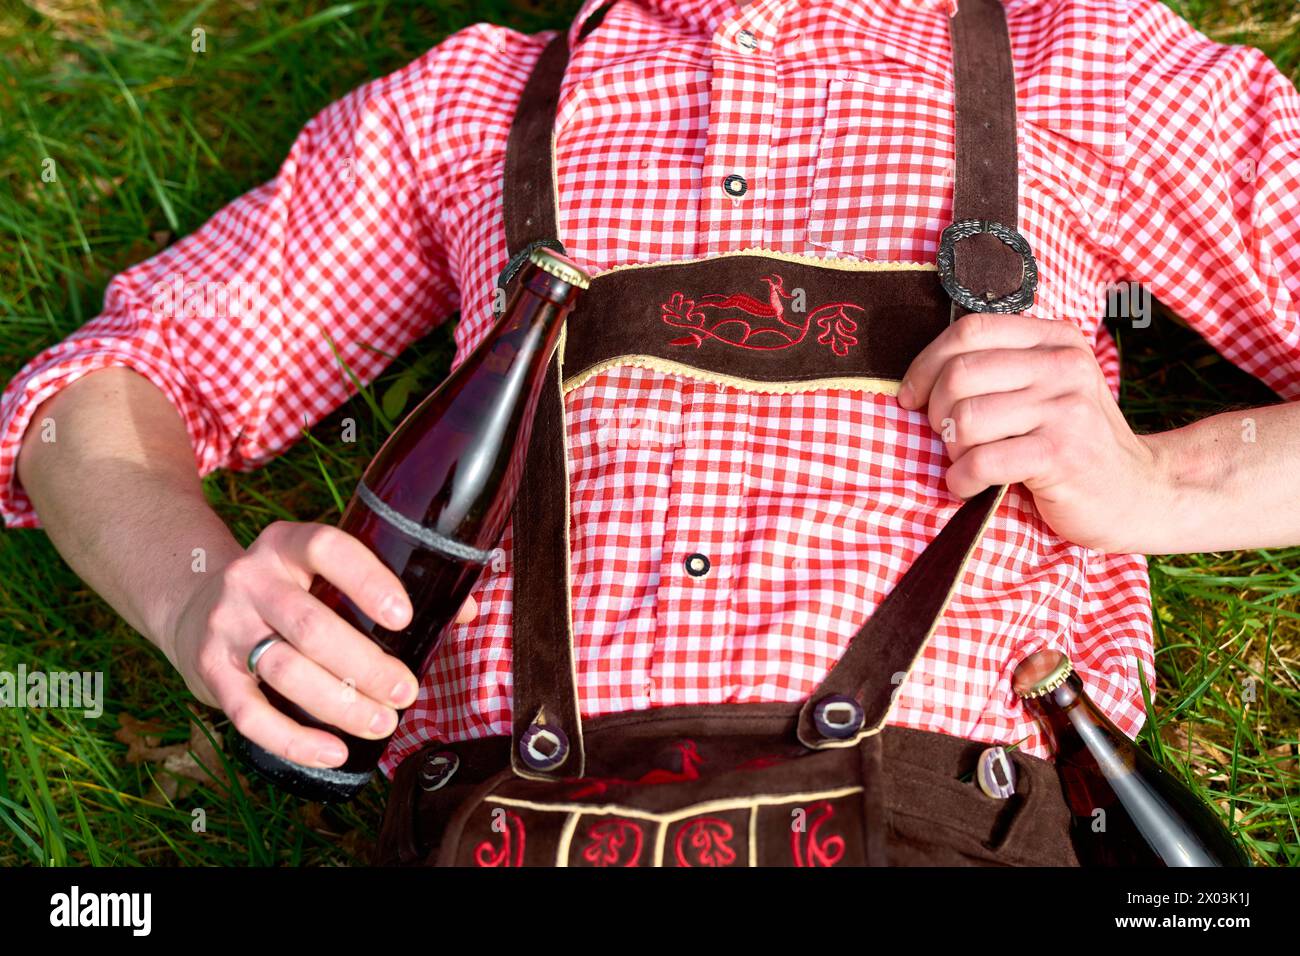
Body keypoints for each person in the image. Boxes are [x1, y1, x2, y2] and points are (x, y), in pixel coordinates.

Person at [3, 0, 1297, 866]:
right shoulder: (474, 105)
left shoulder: (1090, 66)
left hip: (948, 823)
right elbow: (98, 392)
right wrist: (199, 600)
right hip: (511, 827)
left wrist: (1160, 485)